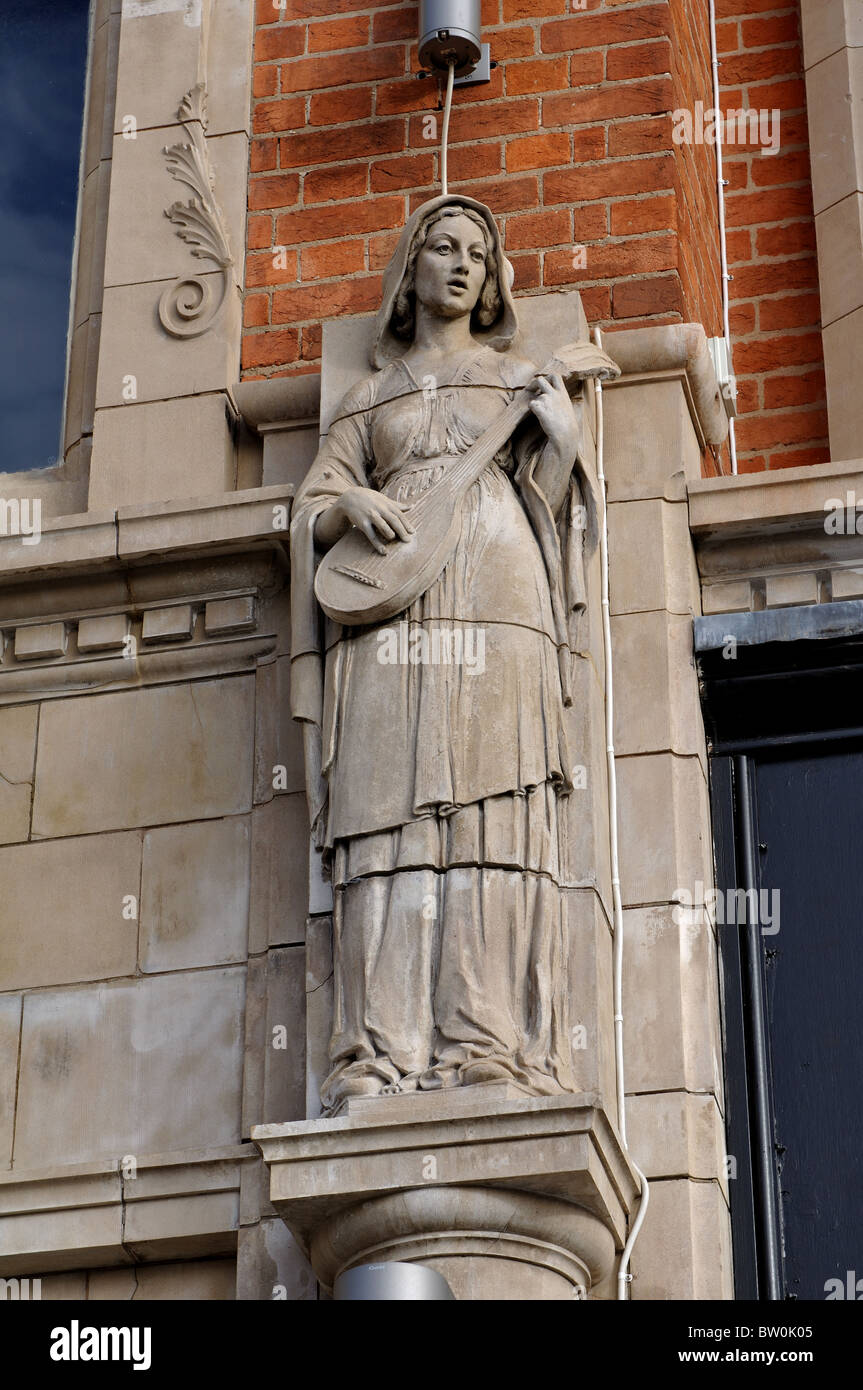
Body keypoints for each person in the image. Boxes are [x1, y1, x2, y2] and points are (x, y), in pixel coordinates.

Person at [290, 194, 602, 1111]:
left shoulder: (514, 380)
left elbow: (550, 504)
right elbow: (310, 508)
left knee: (492, 806)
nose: (462, 264)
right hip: (389, 611)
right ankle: (376, 1050)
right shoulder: (369, 397)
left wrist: (562, 441)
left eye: (478, 252)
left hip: (501, 596)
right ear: (410, 272)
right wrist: (349, 506)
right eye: (442, 247)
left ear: (493, 278)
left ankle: (486, 1039)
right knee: (382, 811)